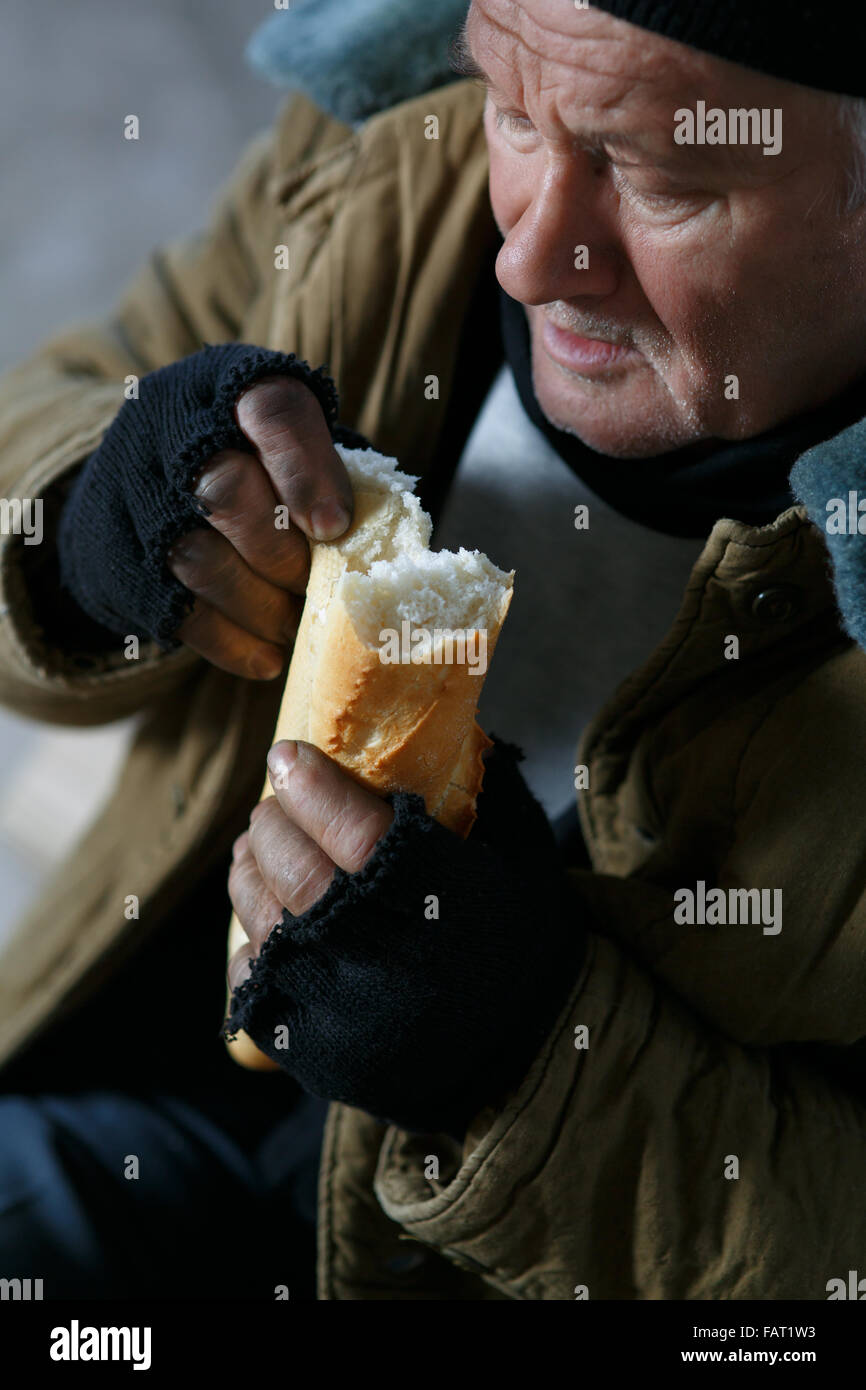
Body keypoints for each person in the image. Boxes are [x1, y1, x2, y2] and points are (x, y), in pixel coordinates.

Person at [1, 0, 866, 1301]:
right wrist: (88, 521)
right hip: (137, 1099)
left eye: (666, 181)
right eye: (513, 112)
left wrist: (516, 1062)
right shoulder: (383, 163)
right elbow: (65, 404)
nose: (529, 255)